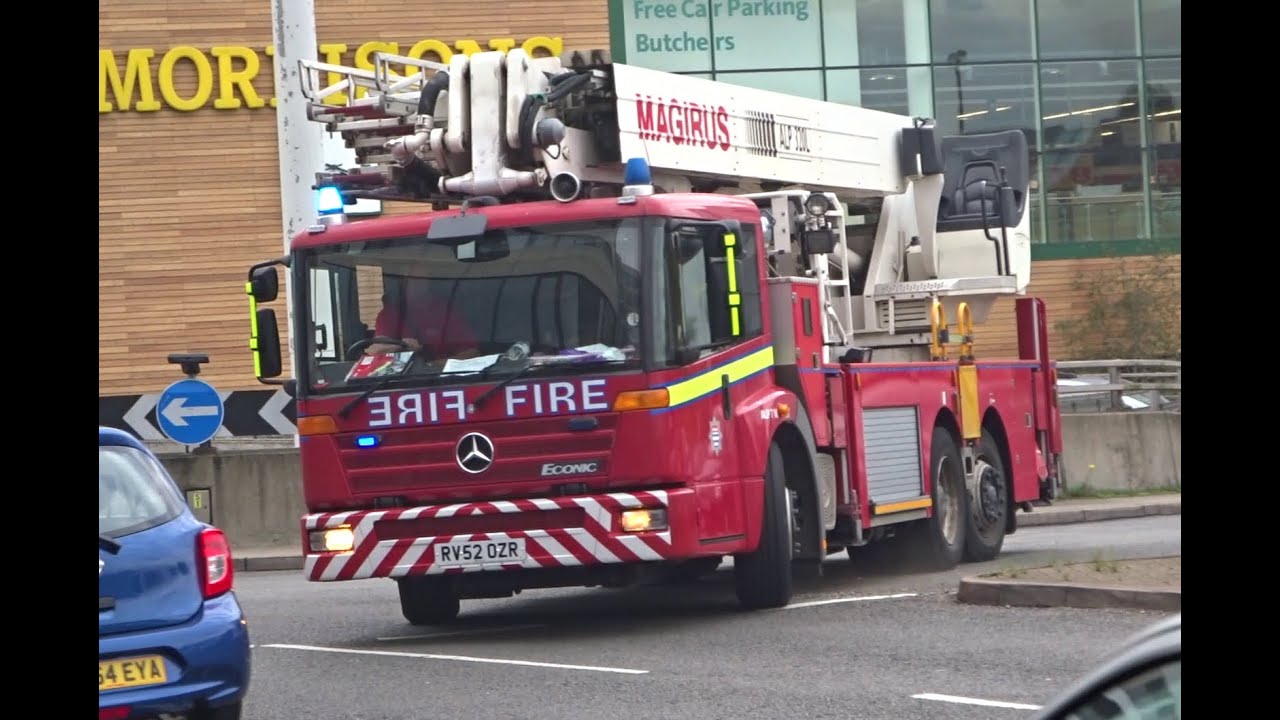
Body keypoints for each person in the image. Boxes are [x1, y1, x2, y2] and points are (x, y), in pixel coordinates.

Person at [366, 276, 479, 359]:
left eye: (420, 280)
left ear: (429, 283)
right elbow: (375, 351)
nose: (417, 285)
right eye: (412, 280)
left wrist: (438, 366)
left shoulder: (446, 312)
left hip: (442, 377)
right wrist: (402, 346)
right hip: (399, 380)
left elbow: (472, 352)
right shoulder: (389, 314)